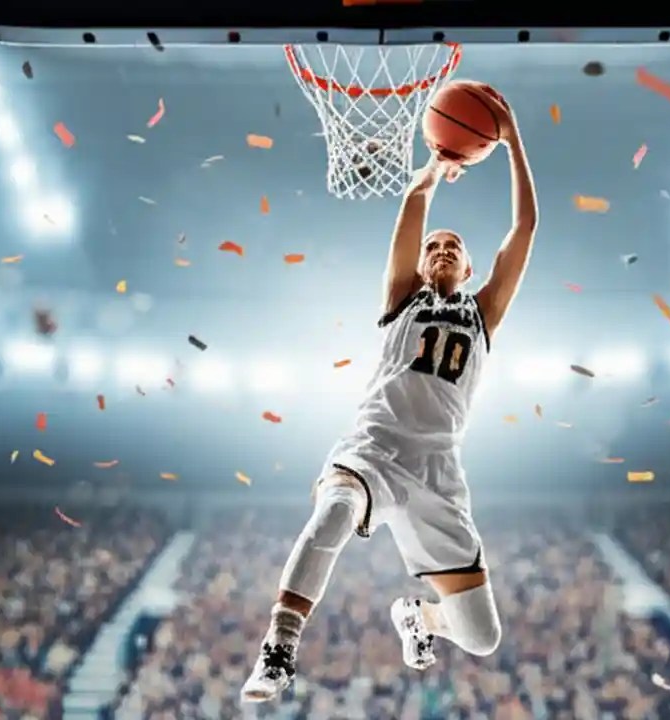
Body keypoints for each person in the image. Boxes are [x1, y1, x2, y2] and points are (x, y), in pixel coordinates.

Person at [242, 89, 538, 702]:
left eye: (452, 245)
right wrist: (434, 168)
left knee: (481, 636)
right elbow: (413, 203)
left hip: (438, 469)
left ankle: (421, 618)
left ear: (470, 267)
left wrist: (511, 139)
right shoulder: (403, 298)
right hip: (374, 446)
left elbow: (526, 225)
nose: (440, 247)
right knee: (332, 515)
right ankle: (279, 647)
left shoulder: (484, 314)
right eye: (433, 244)